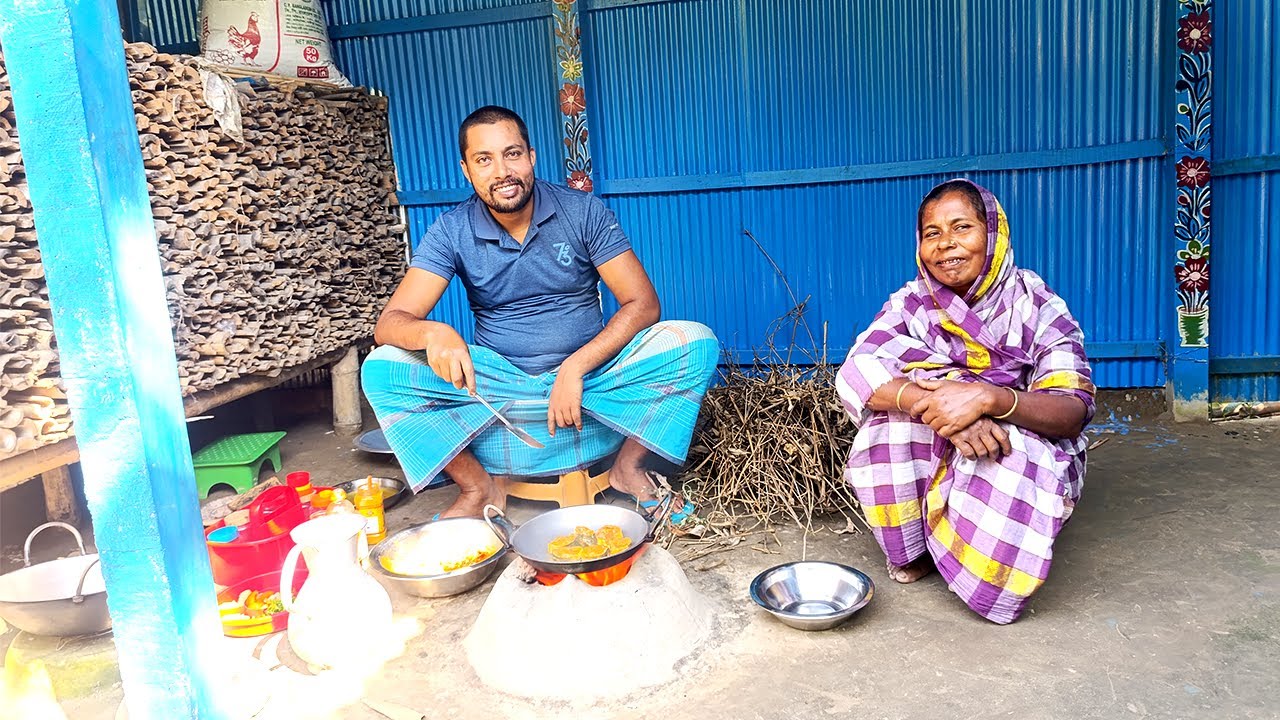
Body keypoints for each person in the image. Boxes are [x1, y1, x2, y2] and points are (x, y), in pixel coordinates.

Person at [361, 105, 718, 523]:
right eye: (484, 160)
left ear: (531, 156)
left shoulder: (582, 212)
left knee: (694, 341)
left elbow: (644, 303)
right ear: (466, 171)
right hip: (501, 391)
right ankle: (478, 487)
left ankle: (628, 467)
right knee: (381, 368)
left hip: (592, 383)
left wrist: (576, 366)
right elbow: (390, 323)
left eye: (512, 154)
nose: (502, 172)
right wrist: (433, 333)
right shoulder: (451, 230)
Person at [836, 179, 1095, 624]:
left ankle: (987, 580)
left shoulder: (1037, 305)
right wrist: (945, 406)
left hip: (1020, 429)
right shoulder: (911, 302)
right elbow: (857, 371)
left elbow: (1071, 410)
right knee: (888, 428)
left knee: (1007, 453)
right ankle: (916, 548)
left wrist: (988, 398)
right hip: (944, 420)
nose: (946, 245)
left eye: (962, 227)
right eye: (932, 233)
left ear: (992, 233)